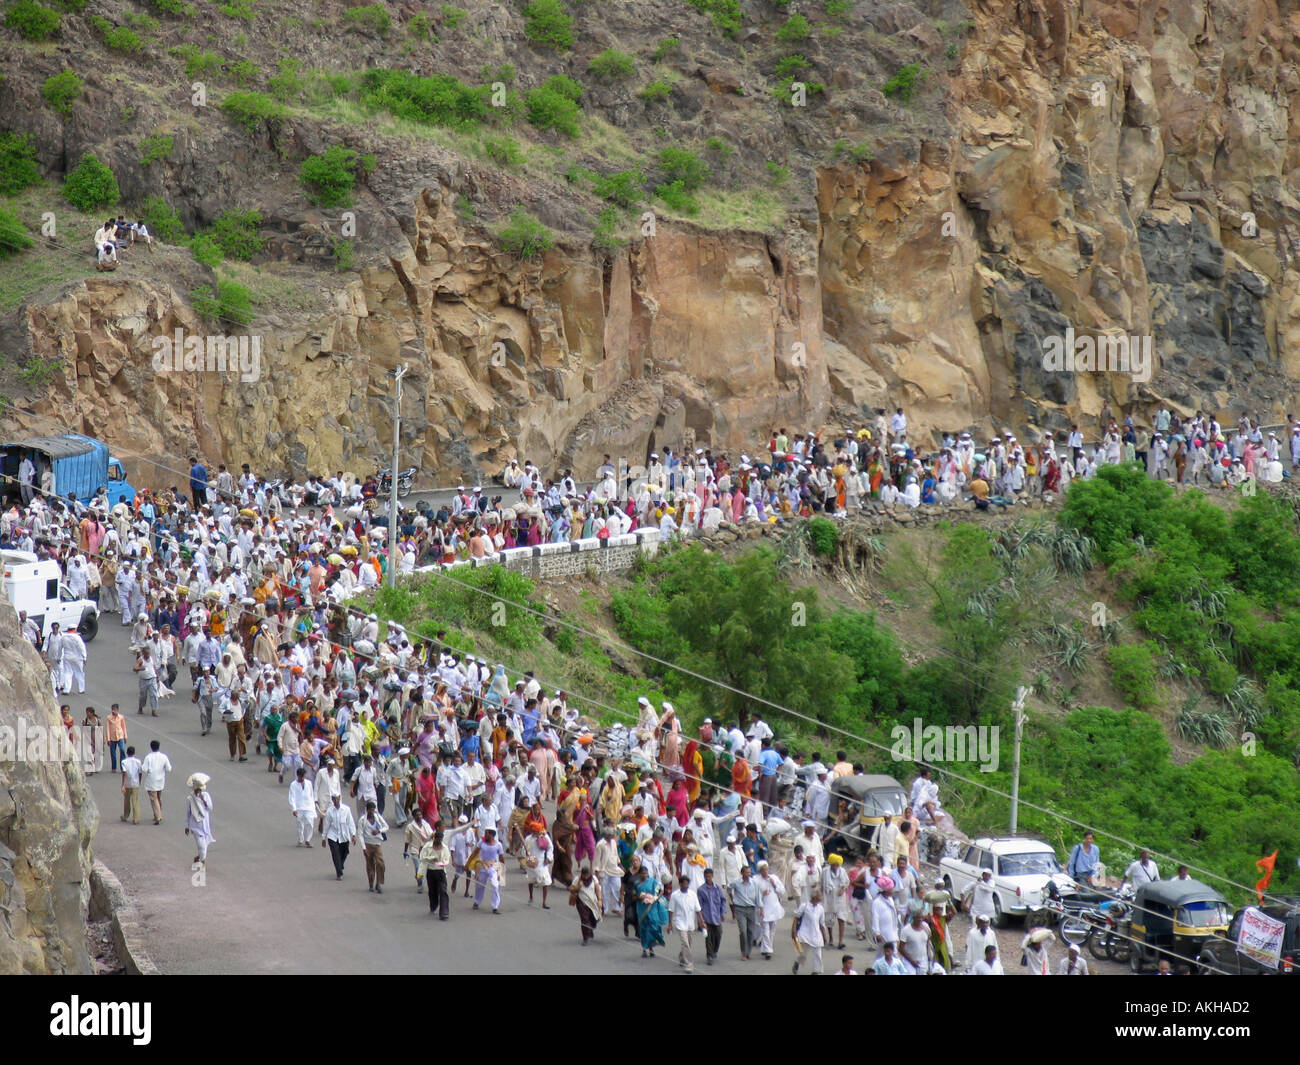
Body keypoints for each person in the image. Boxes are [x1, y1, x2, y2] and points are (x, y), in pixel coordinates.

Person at [669, 873, 705, 972]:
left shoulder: (692, 894)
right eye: (683, 884)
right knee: (685, 943)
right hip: (680, 922)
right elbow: (671, 910)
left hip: (690, 923)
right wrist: (670, 925)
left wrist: (701, 922)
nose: (685, 886)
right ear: (680, 884)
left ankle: (681, 957)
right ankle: (689, 964)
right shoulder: (675, 895)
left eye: (687, 884)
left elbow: (698, 909)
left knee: (688, 943)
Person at [321, 793, 358, 881]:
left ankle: (340, 865)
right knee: (335, 854)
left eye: (337, 799)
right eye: (334, 799)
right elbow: (327, 825)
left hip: (344, 836)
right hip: (333, 836)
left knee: (345, 852)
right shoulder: (330, 811)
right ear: (332, 800)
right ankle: (339, 873)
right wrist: (323, 837)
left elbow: (350, 822)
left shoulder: (346, 809)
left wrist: (353, 834)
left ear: (339, 798)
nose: (335, 801)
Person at [635, 864, 669, 958]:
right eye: (642, 873)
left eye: (646, 873)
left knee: (653, 925)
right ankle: (645, 949)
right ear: (639, 874)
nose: (644, 875)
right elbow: (633, 896)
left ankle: (651, 947)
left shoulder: (653, 881)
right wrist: (641, 897)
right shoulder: (636, 884)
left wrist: (656, 898)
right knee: (643, 928)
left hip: (652, 907)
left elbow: (661, 890)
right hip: (641, 907)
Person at [418, 830, 452, 919]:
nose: (439, 841)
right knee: (432, 891)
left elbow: (447, 860)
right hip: (430, 871)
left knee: (443, 890)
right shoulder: (427, 846)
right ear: (434, 838)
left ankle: (444, 912)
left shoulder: (444, 848)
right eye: (438, 839)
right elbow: (422, 857)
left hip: (440, 871)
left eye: (441, 839)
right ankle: (433, 906)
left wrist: (440, 863)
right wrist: (431, 859)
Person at [791, 889, 826, 974]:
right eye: (818, 897)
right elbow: (796, 917)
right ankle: (797, 963)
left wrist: (824, 936)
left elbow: (821, 923)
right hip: (805, 933)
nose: (820, 899)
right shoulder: (804, 906)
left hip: (816, 934)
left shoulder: (820, 908)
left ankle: (816, 971)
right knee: (802, 953)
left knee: (818, 955)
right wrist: (794, 930)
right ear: (814, 897)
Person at [755, 860, 786, 959]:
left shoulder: (774, 878)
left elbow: (782, 891)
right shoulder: (756, 880)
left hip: (774, 907)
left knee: (772, 929)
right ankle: (768, 951)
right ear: (760, 871)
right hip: (763, 908)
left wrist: (774, 885)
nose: (765, 872)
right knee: (765, 929)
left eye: (766, 869)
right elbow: (753, 894)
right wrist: (761, 894)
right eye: (763, 870)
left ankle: (766, 948)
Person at [471, 827, 505, 914]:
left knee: (495, 885)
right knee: (479, 885)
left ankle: (495, 906)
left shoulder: (498, 845)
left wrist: (501, 872)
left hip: (492, 866)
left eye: (486, 833)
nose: (484, 835)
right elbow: (475, 852)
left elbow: (501, 859)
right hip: (482, 866)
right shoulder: (481, 842)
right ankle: (477, 901)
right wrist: (468, 863)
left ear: (491, 835)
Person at [697, 867, 726, 965]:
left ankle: (714, 951)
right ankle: (709, 955)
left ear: (712, 876)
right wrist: (701, 920)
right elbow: (699, 906)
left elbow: (723, 900)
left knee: (718, 934)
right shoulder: (701, 890)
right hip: (707, 917)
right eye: (706, 877)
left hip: (717, 916)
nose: (708, 878)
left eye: (709, 876)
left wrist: (722, 913)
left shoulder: (717, 888)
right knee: (708, 937)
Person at [570, 863, 603, 944]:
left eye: (587, 875)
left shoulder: (594, 879)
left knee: (594, 918)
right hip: (582, 902)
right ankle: (586, 938)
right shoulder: (577, 879)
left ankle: (591, 928)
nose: (585, 877)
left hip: (592, 901)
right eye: (584, 875)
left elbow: (597, 889)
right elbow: (571, 889)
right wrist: (578, 886)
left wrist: (600, 900)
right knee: (584, 919)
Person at [360, 800, 389, 894]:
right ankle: (371, 883)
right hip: (368, 845)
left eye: (373, 810)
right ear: (367, 809)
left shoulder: (377, 817)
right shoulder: (362, 820)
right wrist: (364, 848)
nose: (372, 812)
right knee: (370, 865)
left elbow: (386, 827)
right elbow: (360, 834)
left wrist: (379, 831)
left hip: (377, 844)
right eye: (370, 810)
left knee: (380, 863)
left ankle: (379, 883)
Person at [140, 739, 172, 824]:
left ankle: (158, 816)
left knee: (154, 799)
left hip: (152, 780)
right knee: (158, 797)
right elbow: (169, 768)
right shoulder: (164, 756)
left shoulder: (149, 757)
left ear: (151, 747)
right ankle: (158, 814)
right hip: (161, 780)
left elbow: (144, 768)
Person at [185, 778, 215, 867]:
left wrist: (203, 800)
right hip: (195, 826)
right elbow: (188, 813)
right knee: (201, 845)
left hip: (205, 825)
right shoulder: (190, 798)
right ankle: (203, 862)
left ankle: (199, 857)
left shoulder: (206, 795)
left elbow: (210, 808)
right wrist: (187, 826)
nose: (199, 791)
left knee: (204, 844)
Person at [403, 807, 434, 890]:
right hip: (415, 848)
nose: (419, 816)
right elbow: (407, 840)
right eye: (417, 815)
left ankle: (420, 881)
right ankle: (420, 881)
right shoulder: (410, 826)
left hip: (425, 848)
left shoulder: (425, 824)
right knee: (418, 867)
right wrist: (405, 851)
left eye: (420, 815)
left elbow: (431, 834)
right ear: (414, 817)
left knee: (423, 867)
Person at [288, 766, 315, 846]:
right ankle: (300, 839)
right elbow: (291, 797)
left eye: (304, 776)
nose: (303, 777)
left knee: (310, 823)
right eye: (301, 776)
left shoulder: (309, 783)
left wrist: (313, 805)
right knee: (300, 823)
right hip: (299, 807)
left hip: (309, 806)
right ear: (298, 775)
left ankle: (308, 840)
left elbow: (311, 795)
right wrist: (294, 809)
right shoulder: (293, 785)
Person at [120, 745, 142, 824]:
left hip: (127, 783)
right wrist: (139, 781)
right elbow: (140, 772)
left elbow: (124, 773)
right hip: (135, 783)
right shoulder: (138, 761)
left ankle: (125, 815)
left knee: (126, 800)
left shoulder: (124, 762)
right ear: (134, 753)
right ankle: (136, 818)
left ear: (127, 753)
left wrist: (123, 784)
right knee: (135, 801)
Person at [105, 704, 127, 772]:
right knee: (113, 753)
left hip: (120, 736)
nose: (113, 711)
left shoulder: (121, 717)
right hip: (112, 737)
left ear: (117, 710)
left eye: (115, 709)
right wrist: (108, 739)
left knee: (122, 750)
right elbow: (108, 728)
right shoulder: (109, 717)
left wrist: (125, 736)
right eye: (112, 709)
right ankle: (114, 767)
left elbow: (124, 727)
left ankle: (122, 767)